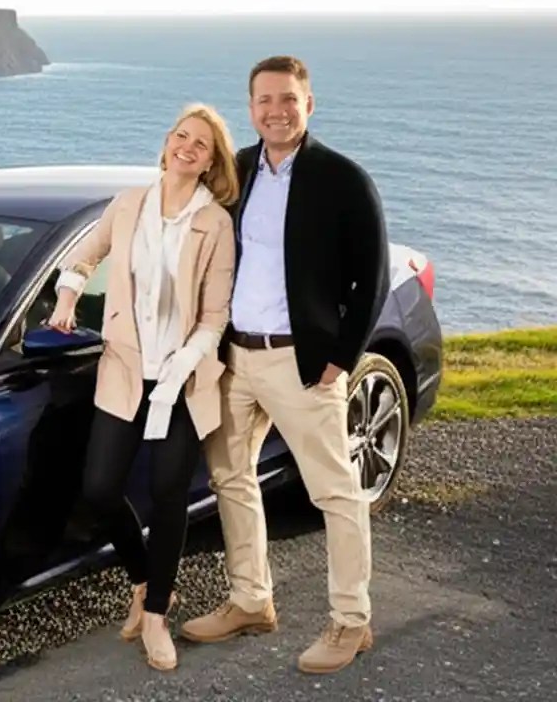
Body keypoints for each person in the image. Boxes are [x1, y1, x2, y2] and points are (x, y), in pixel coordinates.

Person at [178, 55, 390, 675]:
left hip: (303, 364)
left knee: (334, 493)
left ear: (309, 104)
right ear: (250, 109)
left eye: (288, 100)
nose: (276, 111)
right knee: (231, 478)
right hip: (236, 359)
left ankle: (351, 621)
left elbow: (371, 277)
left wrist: (339, 360)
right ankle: (251, 599)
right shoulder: (238, 171)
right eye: (264, 101)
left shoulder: (343, 178)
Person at [46, 103, 238, 671]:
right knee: (100, 490)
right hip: (126, 370)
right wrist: (67, 296)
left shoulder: (215, 224)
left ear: (209, 162)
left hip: (182, 379)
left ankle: (157, 613)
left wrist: (184, 362)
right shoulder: (128, 205)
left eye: (200, 144)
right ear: (166, 143)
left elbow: (215, 317)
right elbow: (83, 258)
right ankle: (142, 578)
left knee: (170, 494)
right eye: (181, 136)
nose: (187, 146)